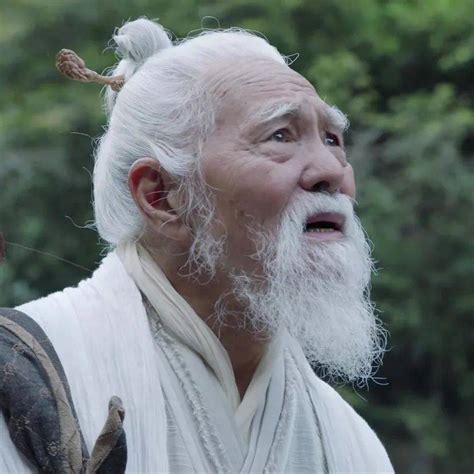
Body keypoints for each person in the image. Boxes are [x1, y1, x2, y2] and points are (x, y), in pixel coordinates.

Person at [0, 17, 392, 473]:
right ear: (162, 197)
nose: (332, 171)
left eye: (332, 139)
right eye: (280, 135)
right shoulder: (24, 377)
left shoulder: (350, 444)